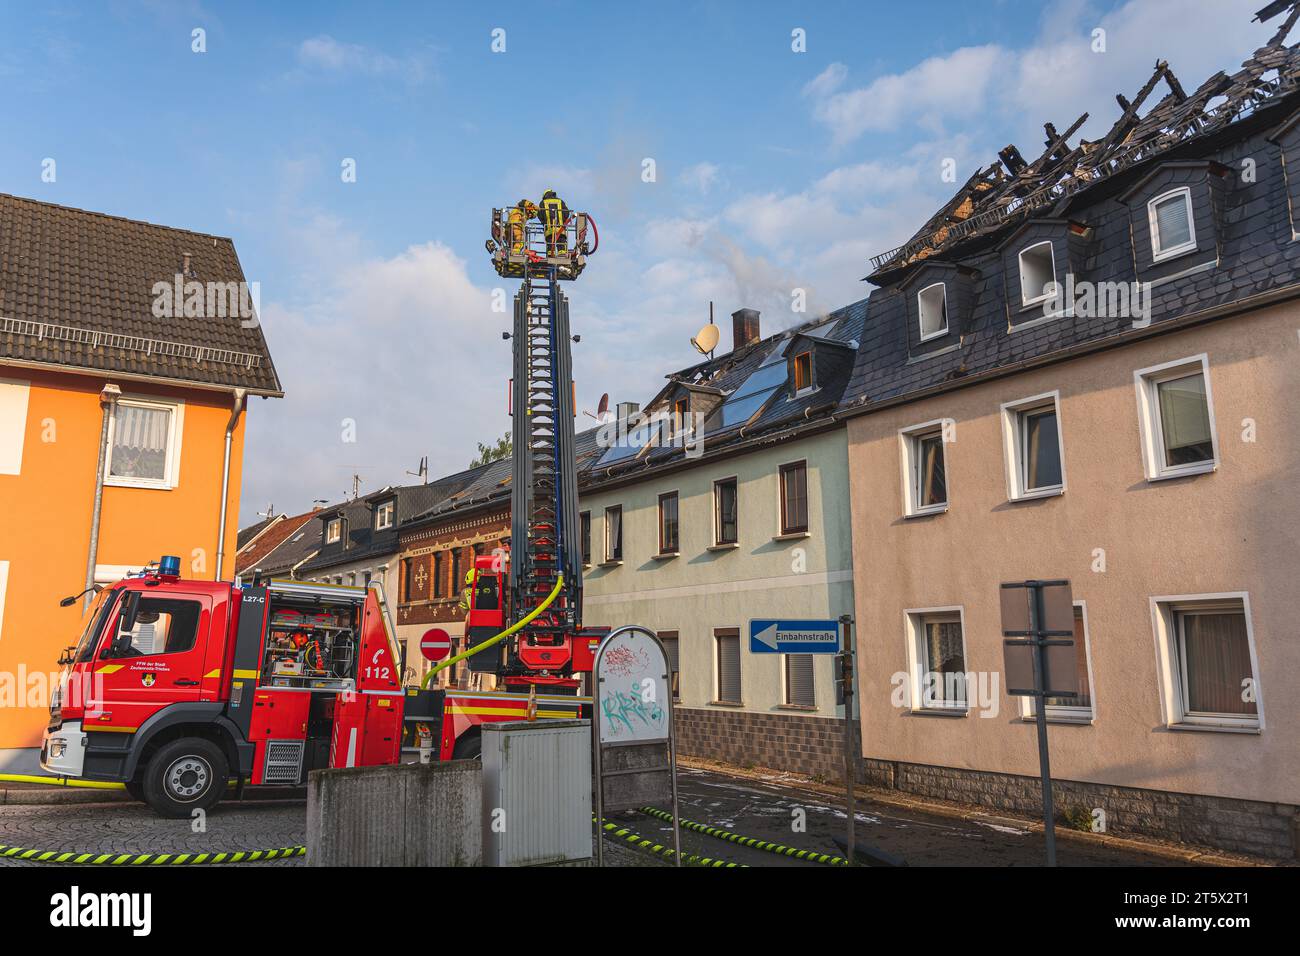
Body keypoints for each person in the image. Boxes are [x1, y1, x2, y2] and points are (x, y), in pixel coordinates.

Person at [536, 189, 570, 256]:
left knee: (550, 245)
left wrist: (544, 223)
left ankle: (550, 255)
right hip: (560, 229)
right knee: (561, 244)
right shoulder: (560, 201)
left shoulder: (542, 202)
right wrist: (562, 221)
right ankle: (562, 254)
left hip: (549, 229)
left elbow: (539, 215)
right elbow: (566, 213)